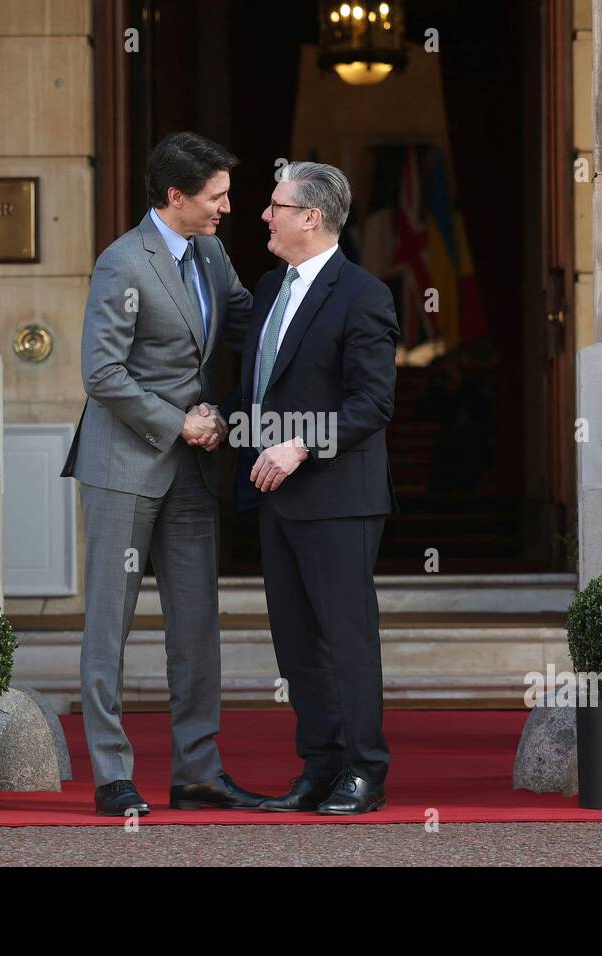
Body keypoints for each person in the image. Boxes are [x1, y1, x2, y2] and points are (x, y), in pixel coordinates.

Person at [61, 131, 259, 816]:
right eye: (217, 197)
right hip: (125, 464)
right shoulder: (122, 262)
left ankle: (198, 771)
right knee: (108, 626)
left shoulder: (210, 251)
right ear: (176, 197)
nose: (227, 208)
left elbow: (244, 323)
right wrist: (179, 422)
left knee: (197, 626)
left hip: (193, 472)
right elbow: (103, 373)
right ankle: (112, 775)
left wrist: (318, 300)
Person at [217, 162, 399, 814]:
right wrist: (223, 418)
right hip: (278, 499)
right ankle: (320, 768)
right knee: (295, 641)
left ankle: (363, 771)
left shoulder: (363, 294)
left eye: (275, 206)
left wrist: (300, 444)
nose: (264, 215)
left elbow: (372, 404)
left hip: (339, 498)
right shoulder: (269, 287)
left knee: (345, 637)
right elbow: (261, 389)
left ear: (311, 218)